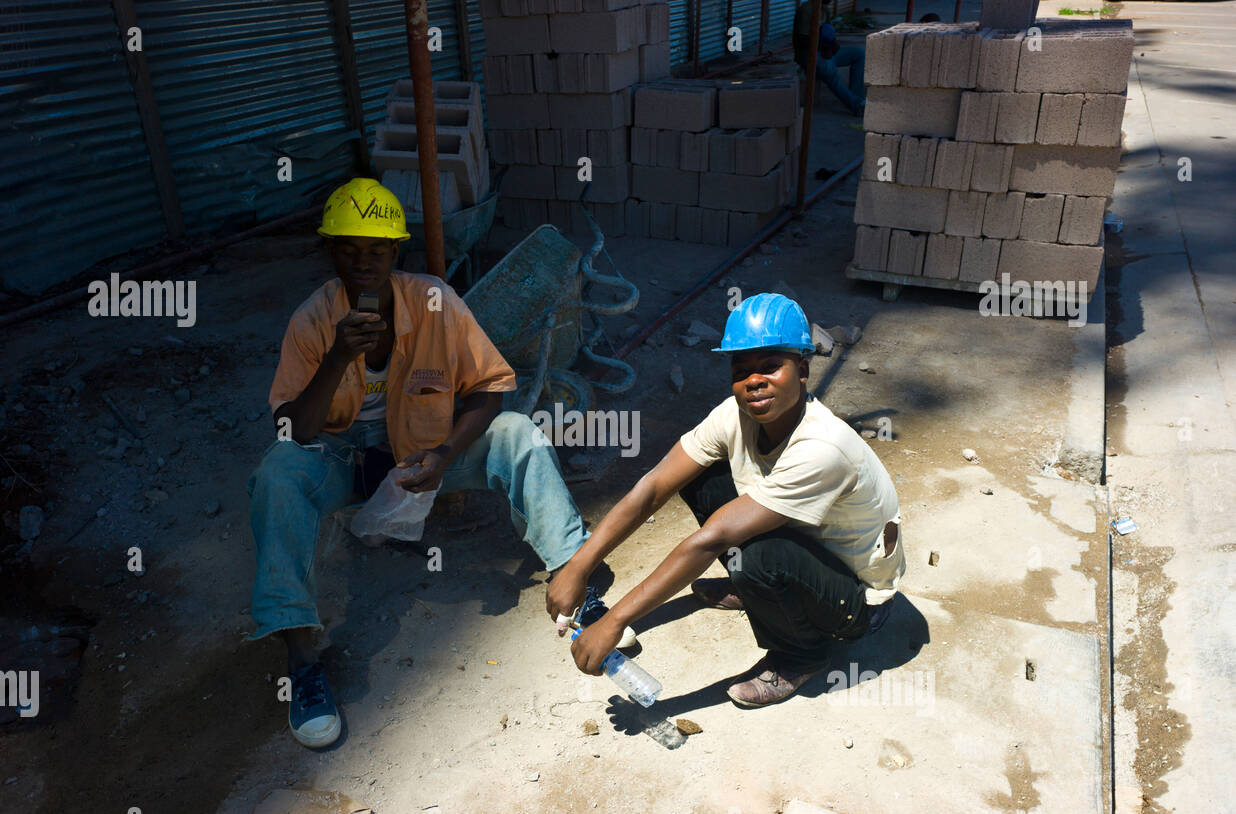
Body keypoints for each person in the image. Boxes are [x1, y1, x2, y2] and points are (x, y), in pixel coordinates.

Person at [248, 177, 591, 748]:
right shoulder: (312, 321)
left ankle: (576, 576)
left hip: (422, 456)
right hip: (342, 461)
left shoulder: (433, 300)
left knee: (518, 435)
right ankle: (303, 659)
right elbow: (293, 430)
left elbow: (490, 390)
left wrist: (445, 453)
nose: (364, 263)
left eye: (377, 250)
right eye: (349, 250)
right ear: (331, 252)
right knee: (277, 472)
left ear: (396, 254)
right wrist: (337, 356)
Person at [546, 293, 906, 708]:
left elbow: (712, 539)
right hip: (811, 548)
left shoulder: (823, 447)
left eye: (771, 366)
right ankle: (761, 590)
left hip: (856, 600)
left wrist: (614, 621)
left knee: (758, 556)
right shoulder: (735, 415)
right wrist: (579, 564)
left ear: (803, 370)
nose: (754, 381)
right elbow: (654, 485)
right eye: (742, 370)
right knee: (701, 479)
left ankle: (803, 655)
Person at [793, 2, 867, 116]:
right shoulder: (806, 10)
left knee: (859, 54)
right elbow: (802, 40)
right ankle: (857, 106)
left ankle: (857, 98)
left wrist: (833, 44)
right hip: (808, 55)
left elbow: (828, 33)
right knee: (829, 70)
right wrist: (825, 47)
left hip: (823, 51)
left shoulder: (824, 9)